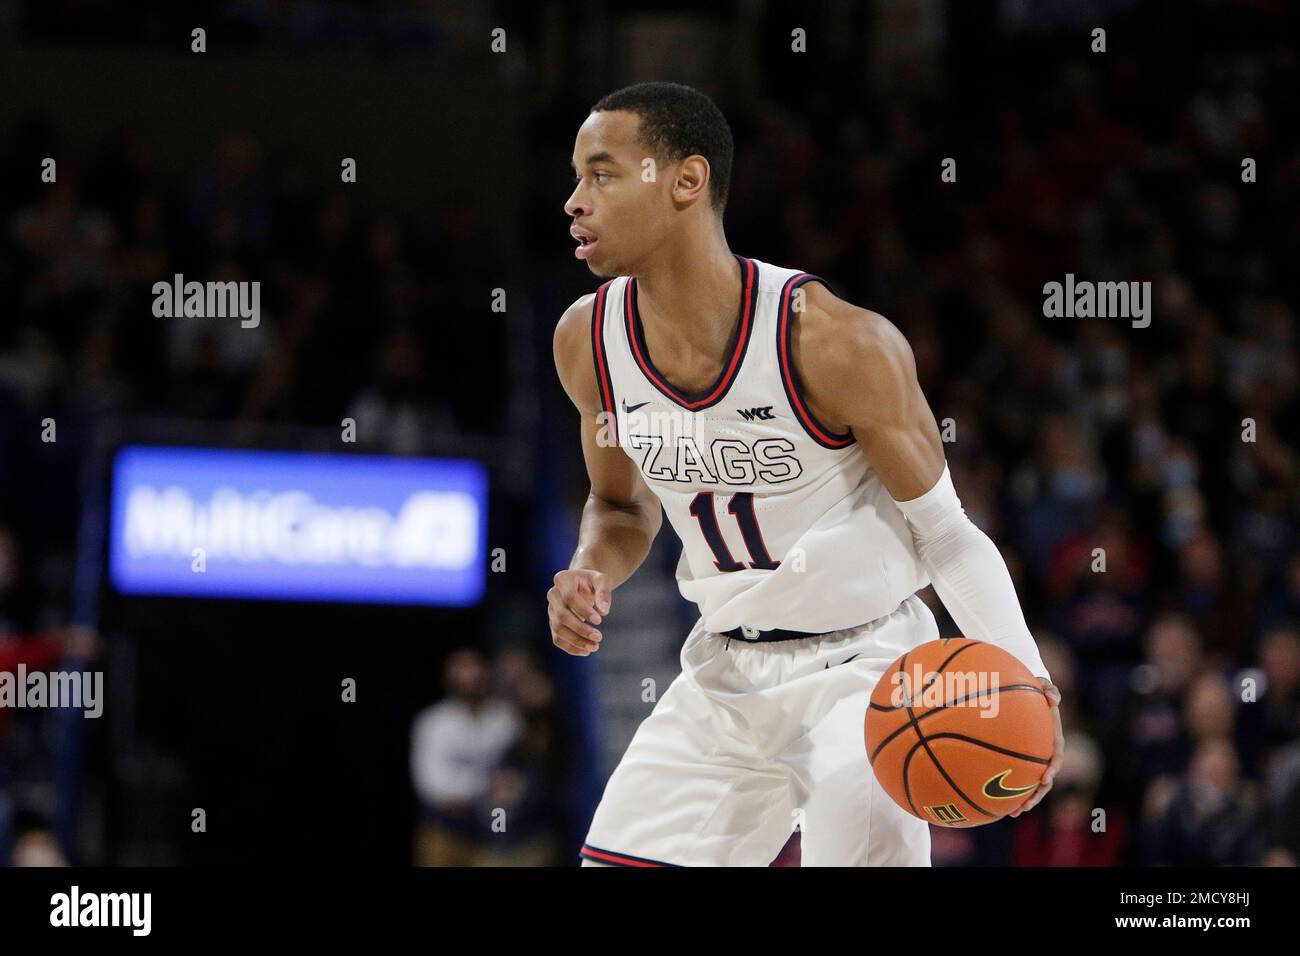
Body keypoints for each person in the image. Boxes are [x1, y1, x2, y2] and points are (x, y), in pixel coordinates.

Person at [549, 82, 1063, 867]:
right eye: (578, 177)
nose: (574, 201)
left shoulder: (834, 342)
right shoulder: (588, 341)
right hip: (723, 668)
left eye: (603, 173)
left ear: (687, 181)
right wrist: (589, 570)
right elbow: (620, 508)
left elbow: (948, 537)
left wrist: (1026, 681)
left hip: (869, 676)